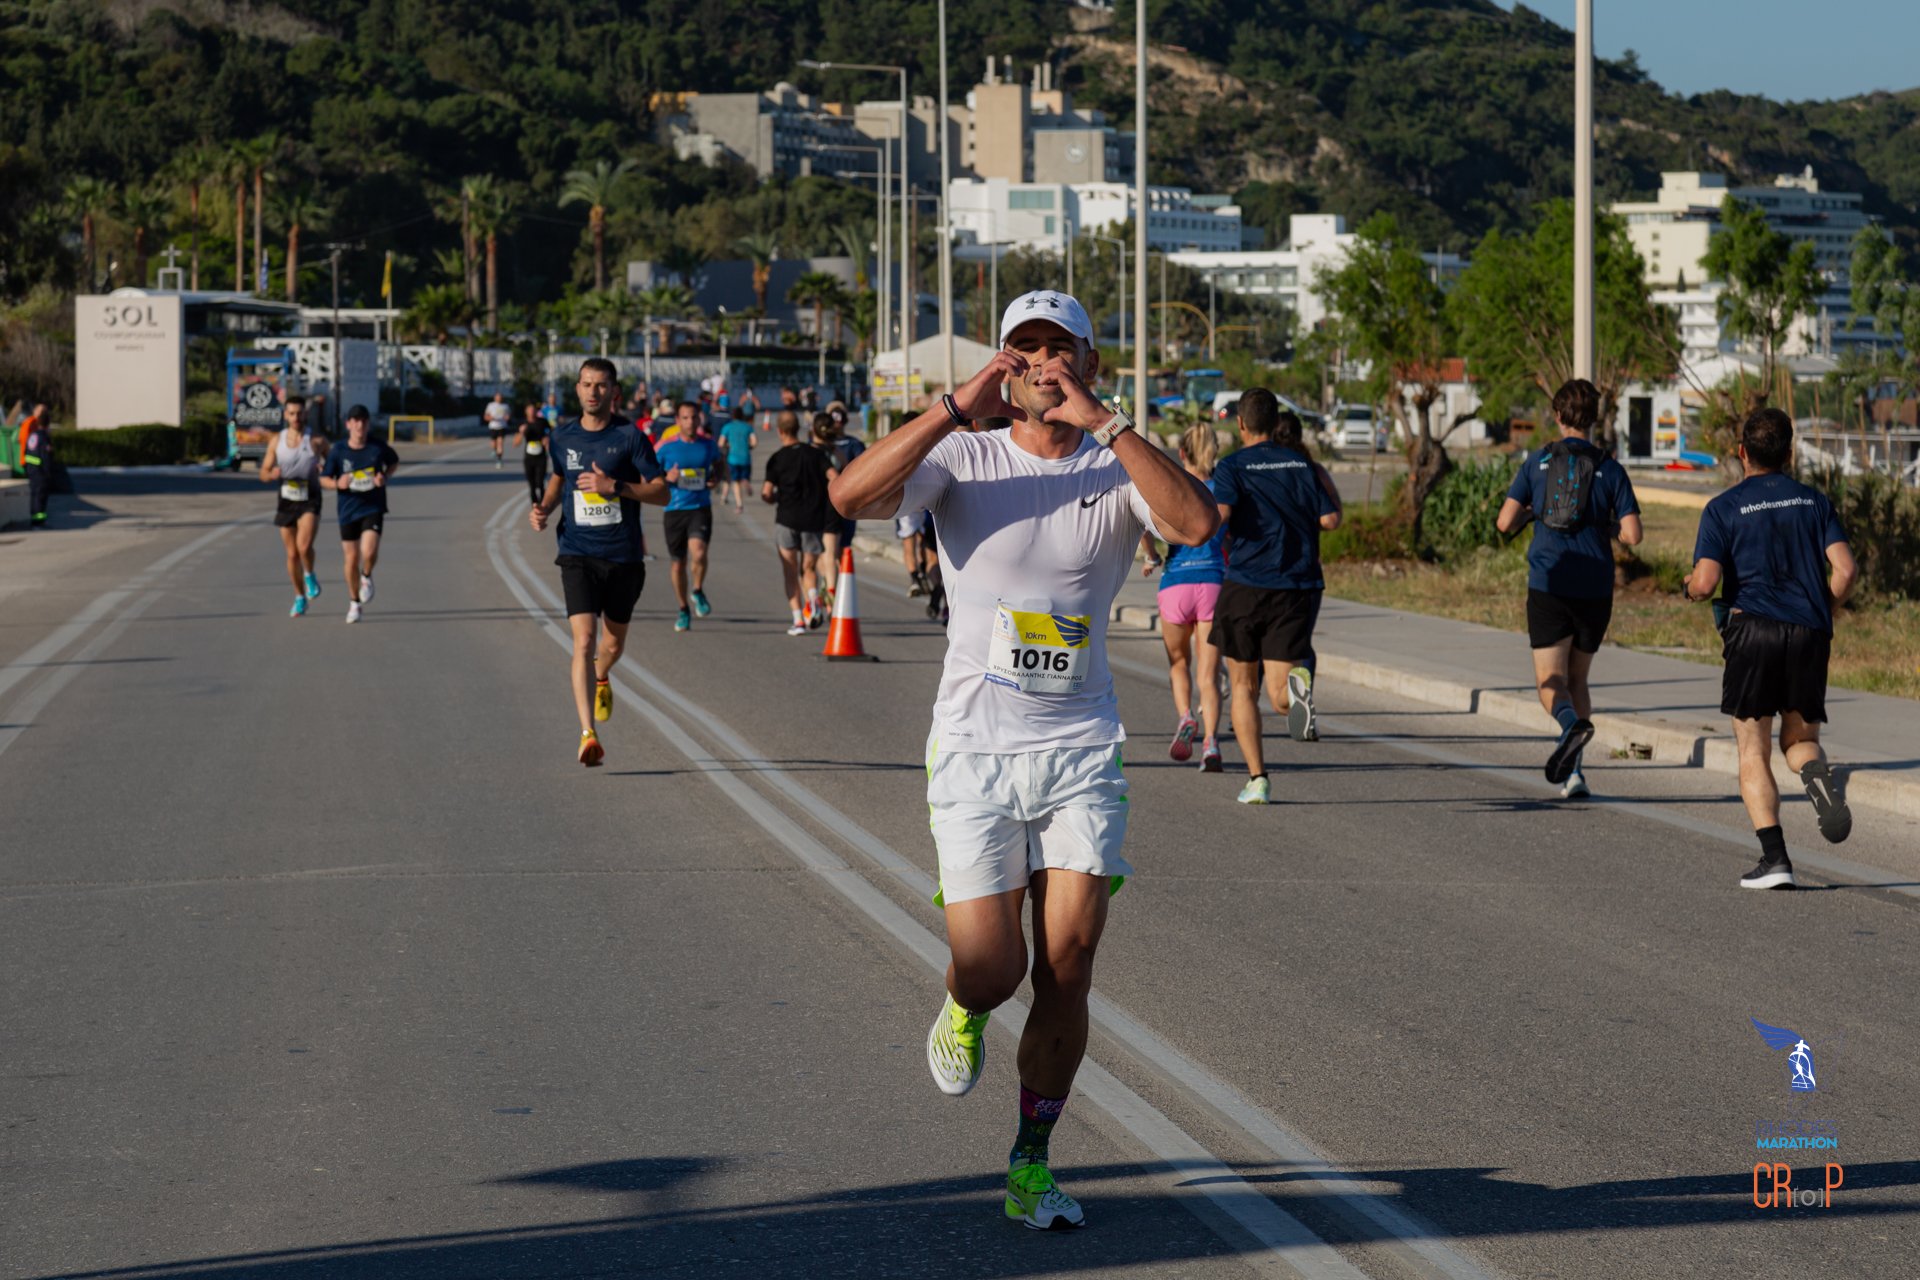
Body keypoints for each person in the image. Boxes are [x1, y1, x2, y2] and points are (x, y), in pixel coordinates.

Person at [828, 289, 1217, 1230]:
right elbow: (849, 497)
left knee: (1070, 966)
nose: (1041, 363)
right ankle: (963, 1005)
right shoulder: (964, 454)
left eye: (1059, 349)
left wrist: (1112, 426)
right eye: (1023, 348)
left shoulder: (1119, 460)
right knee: (991, 969)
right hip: (973, 751)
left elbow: (1199, 527)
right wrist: (955, 406)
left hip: (1080, 749)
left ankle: (1030, 1164)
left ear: (1088, 361)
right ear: (1004, 362)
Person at [1682, 407, 1856, 889]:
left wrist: (1690, 588)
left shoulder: (1723, 507)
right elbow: (1845, 571)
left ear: (1742, 453)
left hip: (1752, 632)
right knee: (1800, 740)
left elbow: (1707, 580)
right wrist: (1819, 610)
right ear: (1789, 451)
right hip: (1808, 632)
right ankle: (1817, 775)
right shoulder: (1814, 502)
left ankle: (1776, 859)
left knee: (1752, 749)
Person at [1495, 378, 1643, 798]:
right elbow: (1633, 534)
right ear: (1595, 419)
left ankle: (1568, 726)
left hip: (1550, 581)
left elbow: (1504, 523)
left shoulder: (1537, 461)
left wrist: (1530, 514)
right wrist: (1606, 523)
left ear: (1558, 417)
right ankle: (1576, 773)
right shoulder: (1610, 468)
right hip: (1595, 587)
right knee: (1578, 680)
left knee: (1550, 682)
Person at [530, 358, 668, 766]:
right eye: (586, 384)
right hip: (577, 552)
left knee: (611, 644)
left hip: (623, 557)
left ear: (614, 392)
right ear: (577, 389)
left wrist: (616, 487)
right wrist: (545, 507)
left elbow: (662, 492)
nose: (593, 392)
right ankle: (588, 733)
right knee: (584, 640)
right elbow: (560, 477)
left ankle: (602, 674)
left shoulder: (630, 438)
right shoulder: (563, 437)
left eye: (601, 385)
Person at [1209, 392, 1343, 804]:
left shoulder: (1232, 466)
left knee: (1243, 686)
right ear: (1275, 421)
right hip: (1297, 585)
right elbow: (1329, 519)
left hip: (1246, 583)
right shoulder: (1303, 464)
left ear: (1242, 425)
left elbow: (1221, 517)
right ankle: (1296, 688)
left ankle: (1258, 779)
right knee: (1280, 696)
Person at [1145, 422, 1229, 770]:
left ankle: (1184, 718)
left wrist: (1151, 556)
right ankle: (1211, 743)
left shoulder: (1174, 490)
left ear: (1181, 453)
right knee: (1208, 675)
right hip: (1213, 584)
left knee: (1179, 663)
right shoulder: (1222, 490)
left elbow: (1145, 520)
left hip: (1176, 582)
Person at [319, 405, 399, 623]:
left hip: (373, 506)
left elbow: (393, 462)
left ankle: (367, 575)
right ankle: (354, 602)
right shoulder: (338, 451)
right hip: (347, 509)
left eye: (363, 421)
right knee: (351, 558)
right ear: (348, 425)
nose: (359, 425)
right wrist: (337, 483)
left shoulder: (377, 446)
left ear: (367, 424)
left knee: (369, 551)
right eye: (355, 421)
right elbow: (324, 479)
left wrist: (384, 477)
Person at [761, 411, 837, 635]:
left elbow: (766, 493)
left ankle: (798, 620)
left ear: (780, 431)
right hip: (813, 519)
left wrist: (774, 497)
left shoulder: (777, 458)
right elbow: (833, 475)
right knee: (809, 568)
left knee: (790, 570)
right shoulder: (815, 455)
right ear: (799, 429)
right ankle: (813, 598)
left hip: (786, 519)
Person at [656, 400, 724, 632]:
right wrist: (666, 477)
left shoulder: (708, 444)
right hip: (674, 510)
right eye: (685, 418)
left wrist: (716, 478)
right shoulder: (665, 446)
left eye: (694, 417)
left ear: (700, 419)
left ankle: (697, 589)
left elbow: (719, 464)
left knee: (699, 552)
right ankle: (683, 608)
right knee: (678, 564)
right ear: (677, 421)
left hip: (699, 507)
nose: (690, 422)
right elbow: (648, 475)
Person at [258, 394, 329, 615]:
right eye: (292, 413)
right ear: (285, 415)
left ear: (305, 415)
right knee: (291, 555)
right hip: (287, 499)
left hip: (310, 497)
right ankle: (299, 597)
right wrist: (272, 474)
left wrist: (324, 470)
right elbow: (263, 472)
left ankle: (309, 574)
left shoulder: (317, 440)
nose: (296, 417)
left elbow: (334, 464)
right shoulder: (276, 441)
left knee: (304, 546)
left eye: (299, 413)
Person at [813, 410, 866, 610]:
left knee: (821, 554)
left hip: (815, 508)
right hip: (834, 506)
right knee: (830, 554)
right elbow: (848, 477)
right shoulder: (839, 453)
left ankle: (831, 593)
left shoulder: (810, 451)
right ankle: (831, 589)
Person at [716, 404, 757, 513]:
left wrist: (728, 445)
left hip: (732, 458)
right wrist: (748, 446)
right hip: (745, 458)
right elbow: (754, 442)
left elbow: (720, 443)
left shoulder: (727, 427)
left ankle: (739, 505)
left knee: (735, 482)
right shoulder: (748, 427)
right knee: (744, 477)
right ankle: (746, 481)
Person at [20, 403, 51, 529]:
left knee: (35, 494)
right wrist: (48, 472)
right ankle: (38, 521)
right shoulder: (41, 436)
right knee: (40, 496)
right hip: (40, 471)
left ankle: (36, 519)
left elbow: (26, 447)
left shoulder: (33, 432)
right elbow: (45, 456)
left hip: (31, 468)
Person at [514, 402, 551, 505]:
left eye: (533, 410)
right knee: (532, 484)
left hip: (541, 456)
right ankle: (535, 505)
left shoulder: (543, 422)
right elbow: (515, 443)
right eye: (529, 410)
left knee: (540, 482)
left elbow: (551, 432)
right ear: (526, 412)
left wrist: (547, 438)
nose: (531, 412)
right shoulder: (523, 424)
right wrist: (521, 432)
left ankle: (543, 503)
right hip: (529, 457)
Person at [484, 392, 512, 469]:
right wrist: (490, 418)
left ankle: (499, 460)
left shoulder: (505, 406)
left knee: (500, 443)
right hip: (493, 426)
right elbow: (486, 416)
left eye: (500, 397)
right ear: (495, 398)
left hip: (502, 427)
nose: (499, 398)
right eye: (497, 397)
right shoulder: (490, 405)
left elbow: (508, 416)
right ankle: (494, 450)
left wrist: (507, 418)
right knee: (494, 443)